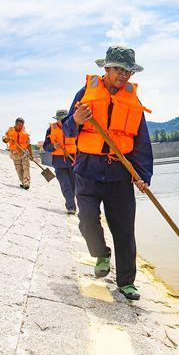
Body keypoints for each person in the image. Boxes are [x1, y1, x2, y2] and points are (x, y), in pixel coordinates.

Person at [64, 45, 153, 300]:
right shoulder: (86, 93)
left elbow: (141, 142)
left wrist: (142, 176)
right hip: (88, 171)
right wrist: (76, 120)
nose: (124, 76)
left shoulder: (132, 101)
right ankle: (101, 254)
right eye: (119, 70)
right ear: (106, 68)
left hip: (119, 176)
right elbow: (68, 128)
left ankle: (127, 282)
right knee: (87, 221)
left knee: (124, 231)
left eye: (128, 71)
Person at [43, 109, 77, 214]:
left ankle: (72, 202)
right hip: (59, 163)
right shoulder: (50, 130)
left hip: (73, 161)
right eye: (60, 119)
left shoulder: (74, 127)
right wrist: (54, 146)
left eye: (65, 119)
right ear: (57, 119)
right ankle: (71, 207)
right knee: (65, 184)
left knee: (74, 186)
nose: (62, 121)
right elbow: (46, 146)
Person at [3, 117, 33, 190]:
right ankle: (23, 182)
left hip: (24, 152)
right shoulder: (10, 131)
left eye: (22, 125)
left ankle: (26, 182)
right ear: (16, 124)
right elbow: (4, 139)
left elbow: (29, 145)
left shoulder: (25, 133)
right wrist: (8, 138)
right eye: (19, 125)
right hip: (15, 153)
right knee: (18, 169)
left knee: (26, 167)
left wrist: (31, 155)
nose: (21, 126)